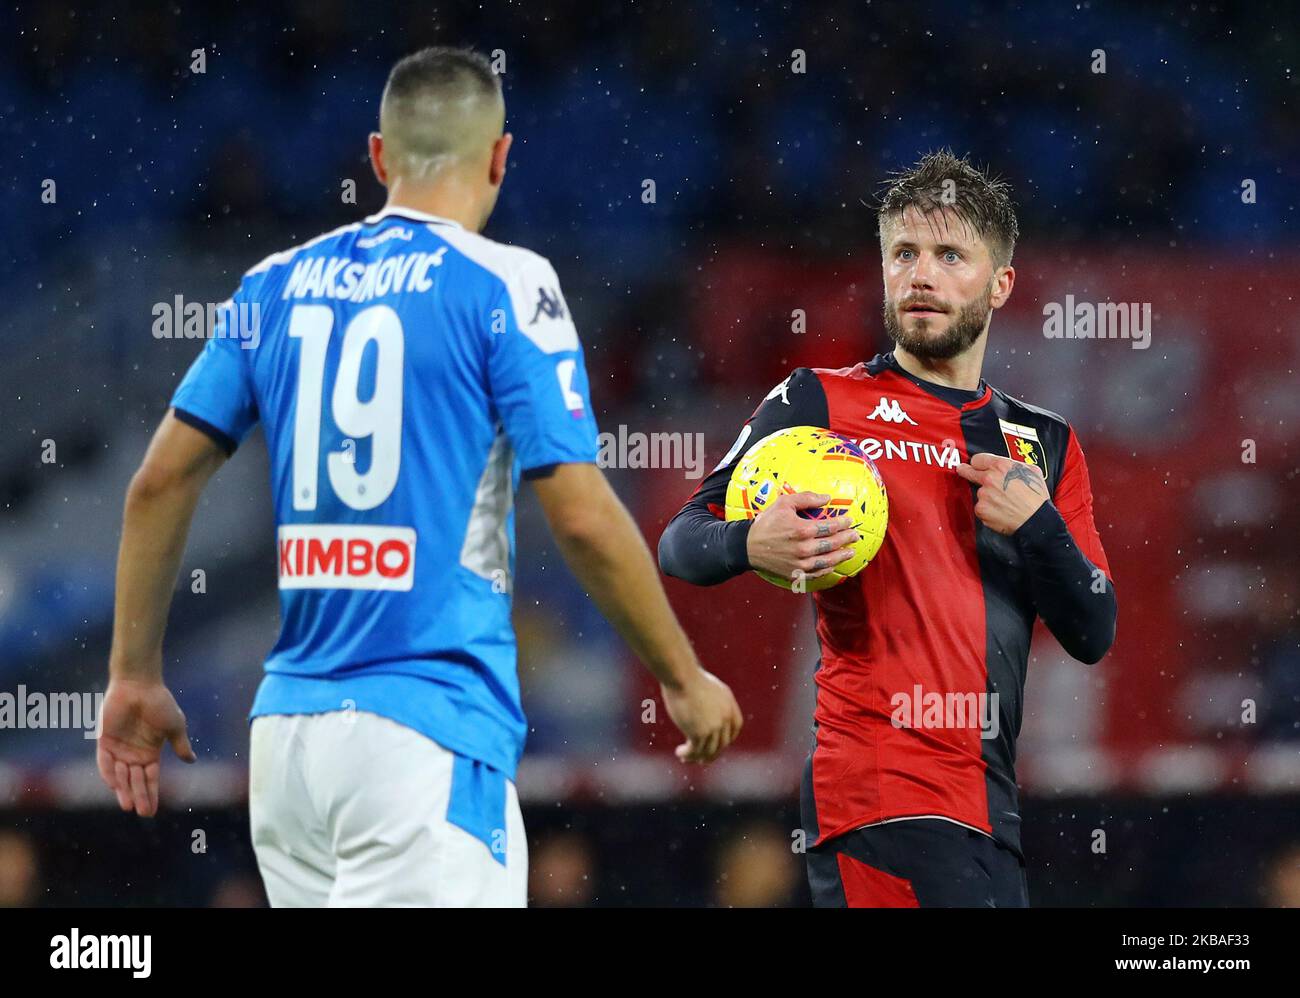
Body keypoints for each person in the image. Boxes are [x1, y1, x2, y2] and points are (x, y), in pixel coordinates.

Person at [98, 46, 741, 907]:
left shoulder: (272, 285)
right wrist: (681, 676)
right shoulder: (507, 286)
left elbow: (156, 484)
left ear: (377, 157)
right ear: (501, 158)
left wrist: (133, 676)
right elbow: (582, 516)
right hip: (423, 740)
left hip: (288, 747)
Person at [659, 150, 1116, 907]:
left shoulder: (1043, 442)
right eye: (903, 253)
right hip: (878, 793)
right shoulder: (817, 403)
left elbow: (1093, 628)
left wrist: (1038, 527)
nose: (921, 276)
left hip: (989, 810)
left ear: (1001, 284)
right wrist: (749, 541)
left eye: (949, 256)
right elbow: (681, 540)